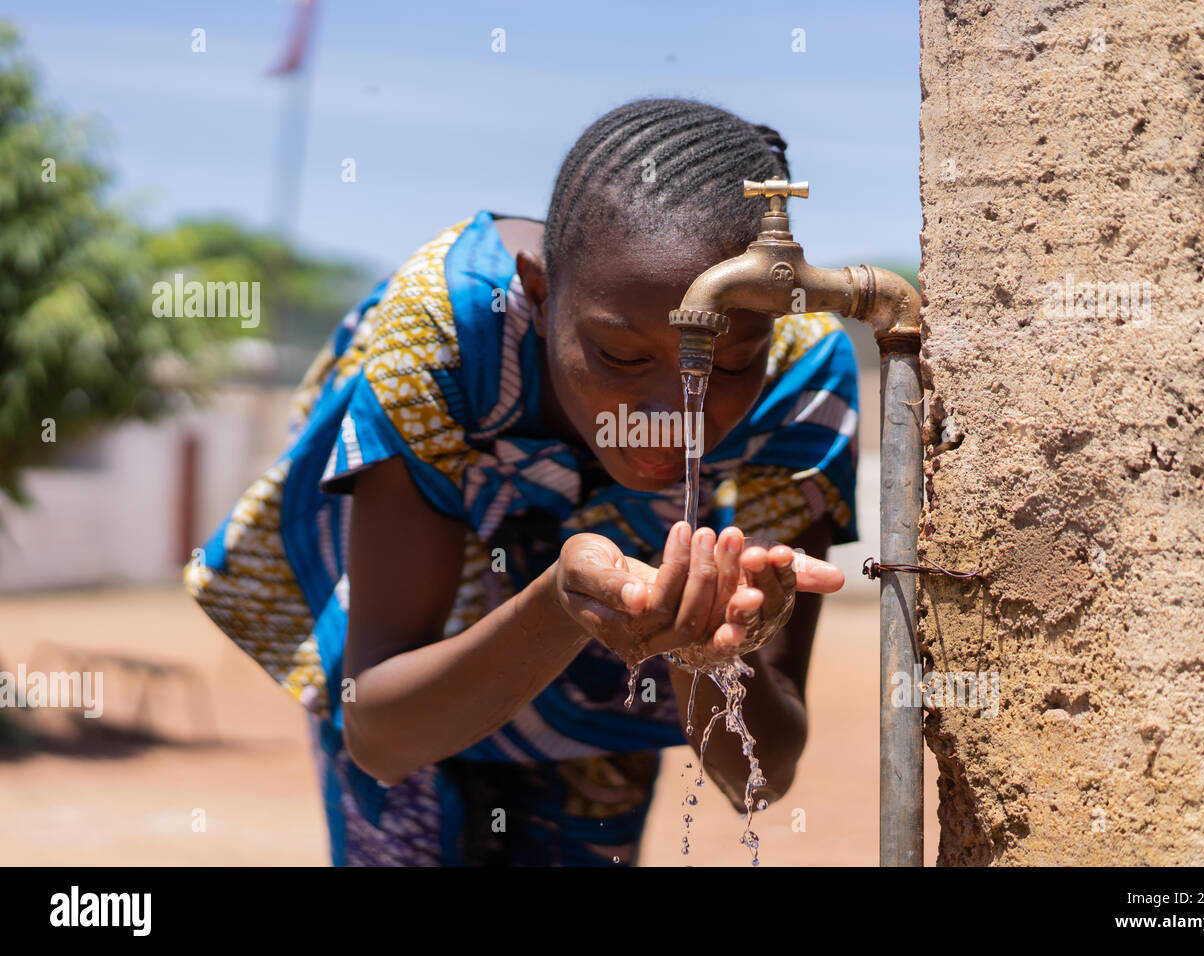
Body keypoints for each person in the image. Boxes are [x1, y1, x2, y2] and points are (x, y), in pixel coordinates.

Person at [185, 97, 861, 866]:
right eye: (623, 358)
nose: (673, 420)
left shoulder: (802, 376)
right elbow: (379, 732)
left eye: (729, 364)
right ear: (538, 295)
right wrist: (559, 602)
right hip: (431, 683)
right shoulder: (444, 328)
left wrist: (710, 654)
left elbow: (762, 776)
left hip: (601, 704)